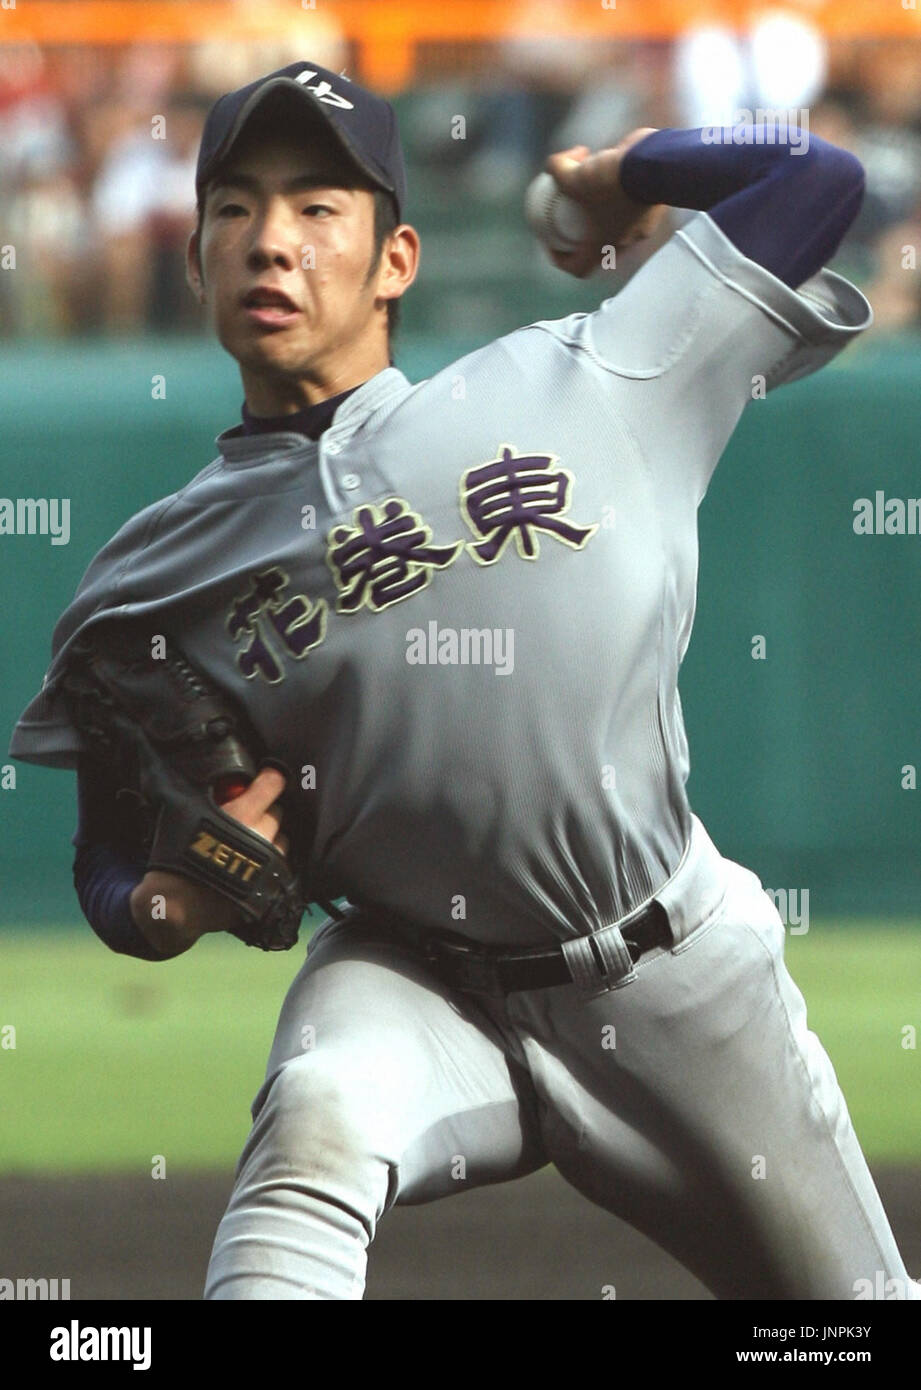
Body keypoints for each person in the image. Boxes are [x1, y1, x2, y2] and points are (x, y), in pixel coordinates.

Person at [10, 60, 920, 1301]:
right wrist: (164, 904)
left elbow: (815, 180)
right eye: (235, 208)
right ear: (195, 259)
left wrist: (619, 171)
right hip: (416, 977)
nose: (272, 241)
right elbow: (111, 855)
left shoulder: (587, 380)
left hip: (675, 983)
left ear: (398, 260)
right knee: (316, 1120)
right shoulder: (149, 581)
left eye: (320, 208)